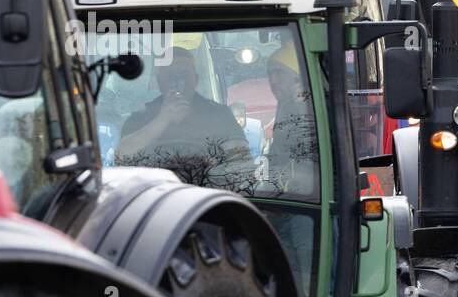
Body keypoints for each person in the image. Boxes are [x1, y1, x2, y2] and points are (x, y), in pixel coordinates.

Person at [117, 46, 253, 190]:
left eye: (184, 74)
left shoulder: (219, 115)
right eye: (170, 75)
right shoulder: (141, 116)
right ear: (159, 81)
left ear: (196, 79)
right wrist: (162, 119)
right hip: (154, 196)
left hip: (208, 196)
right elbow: (122, 156)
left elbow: (242, 165)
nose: (177, 81)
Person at [262, 42, 318, 199]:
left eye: (279, 72)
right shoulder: (286, 106)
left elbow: (309, 150)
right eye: (269, 74)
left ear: (297, 78)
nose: (273, 80)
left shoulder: (314, 107)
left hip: (307, 197)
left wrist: (301, 104)